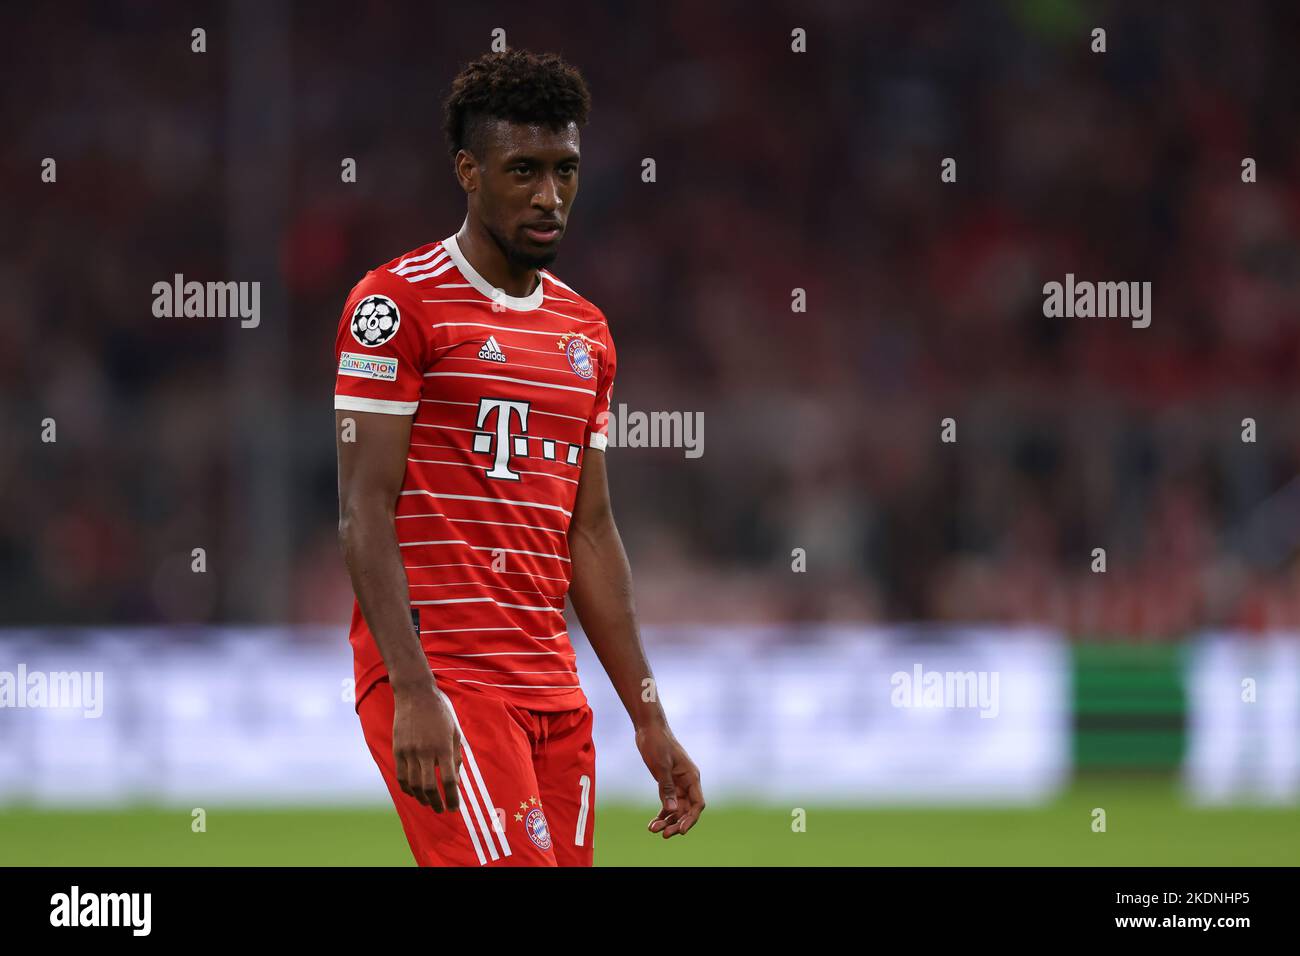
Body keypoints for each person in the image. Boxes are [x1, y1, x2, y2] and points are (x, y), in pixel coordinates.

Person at [333, 49, 703, 866]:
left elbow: (593, 534)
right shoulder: (396, 306)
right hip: (448, 679)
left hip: (553, 690)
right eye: (523, 170)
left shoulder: (586, 333)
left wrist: (647, 715)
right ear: (469, 171)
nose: (549, 195)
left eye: (565, 170)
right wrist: (413, 689)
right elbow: (364, 509)